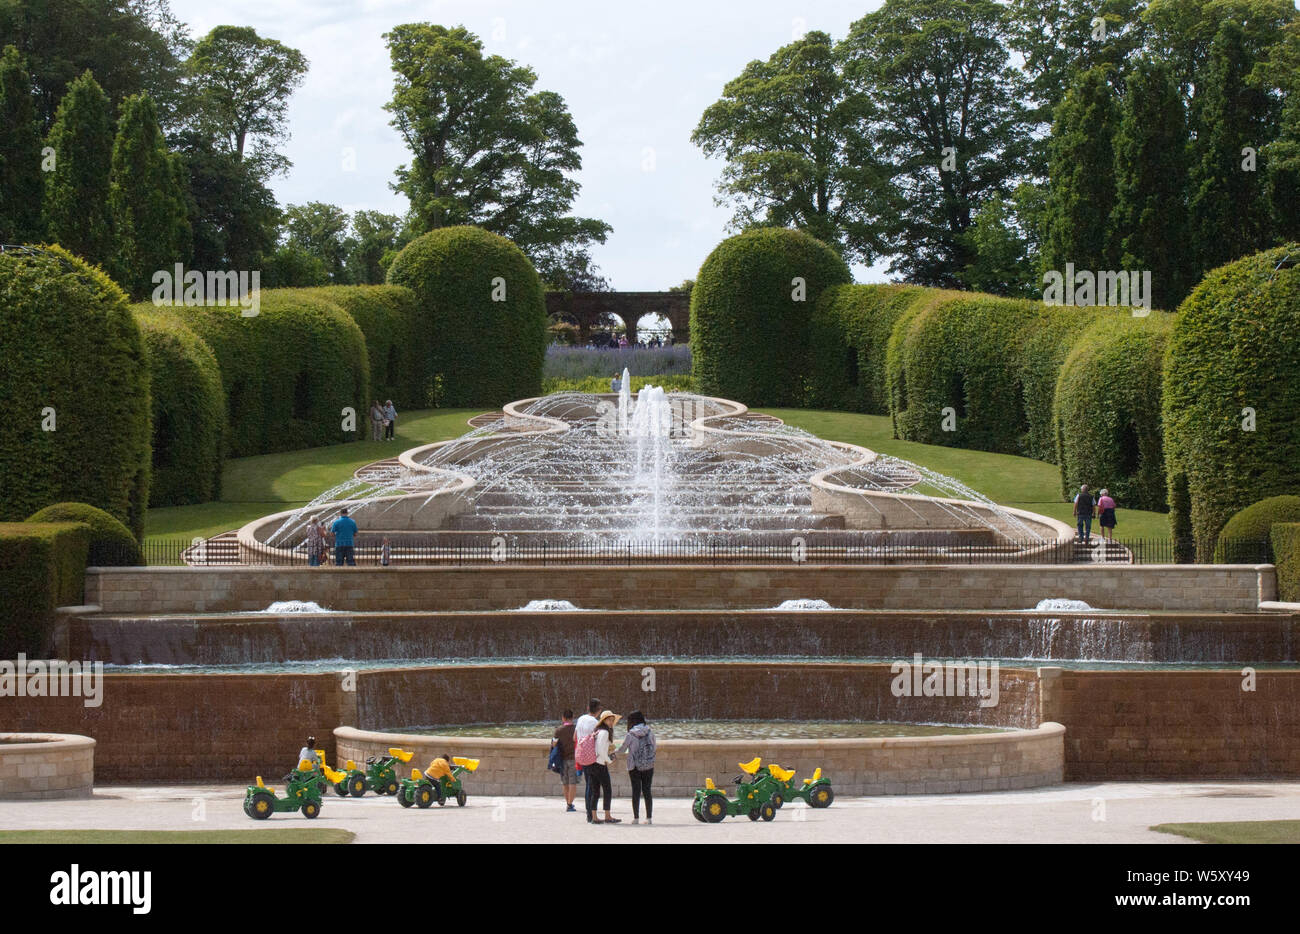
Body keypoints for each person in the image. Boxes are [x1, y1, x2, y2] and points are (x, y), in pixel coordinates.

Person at [618, 710, 657, 824]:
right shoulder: (650, 732)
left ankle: (636, 818)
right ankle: (649, 818)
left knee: (636, 791)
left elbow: (623, 749)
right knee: (647, 791)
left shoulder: (630, 734)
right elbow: (654, 747)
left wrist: (614, 752)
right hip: (649, 765)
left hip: (634, 766)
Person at [585, 710, 620, 824]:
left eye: (612, 720)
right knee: (607, 790)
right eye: (609, 719)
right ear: (603, 720)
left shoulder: (598, 730)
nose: (611, 722)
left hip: (592, 764)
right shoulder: (604, 732)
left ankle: (594, 817)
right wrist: (609, 760)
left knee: (595, 791)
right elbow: (600, 749)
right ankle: (607, 816)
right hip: (600, 765)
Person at [552, 709, 578, 811]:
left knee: (565, 782)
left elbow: (554, 744)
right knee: (573, 782)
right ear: (572, 717)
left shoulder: (558, 730)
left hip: (563, 759)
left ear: (563, 718)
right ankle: (570, 804)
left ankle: (568, 803)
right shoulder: (576, 729)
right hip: (574, 759)